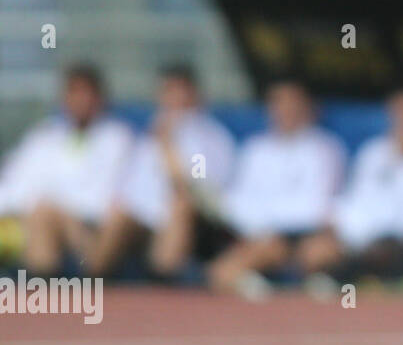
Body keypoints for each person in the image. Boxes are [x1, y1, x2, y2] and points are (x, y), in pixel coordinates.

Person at [89, 65, 237, 280]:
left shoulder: (208, 137)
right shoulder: (147, 137)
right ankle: (90, 281)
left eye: (181, 91)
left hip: (192, 222)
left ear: (195, 95)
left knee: (180, 205)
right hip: (143, 217)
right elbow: (127, 182)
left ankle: (163, 282)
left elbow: (198, 184)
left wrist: (168, 146)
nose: (174, 99)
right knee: (118, 213)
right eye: (169, 91)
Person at [207, 79, 346, 298]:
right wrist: (262, 233)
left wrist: (284, 231)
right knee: (221, 273)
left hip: (307, 236)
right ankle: (261, 291)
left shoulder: (325, 148)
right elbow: (240, 201)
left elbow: (319, 203)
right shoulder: (255, 150)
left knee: (322, 253)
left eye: (293, 103)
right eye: (279, 103)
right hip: (263, 237)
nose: (286, 110)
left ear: (307, 107)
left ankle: (311, 284)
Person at [0, 65, 133, 275]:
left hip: (90, 228)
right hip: (39, 219)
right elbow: (14, 184)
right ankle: (45, 290)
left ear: (99, 98)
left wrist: (63, 210)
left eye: (87, 93)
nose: (81, 100)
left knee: (45, 213)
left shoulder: (118, 138)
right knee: (41, 214)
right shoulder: (43, 136)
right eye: (74, 92)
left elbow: (111, 198)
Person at [305, 87, 403, 283]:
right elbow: (355, 199)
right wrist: (334, 228)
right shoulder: (373, 153)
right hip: (361, 239)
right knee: (316, 251)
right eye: (401, 114)